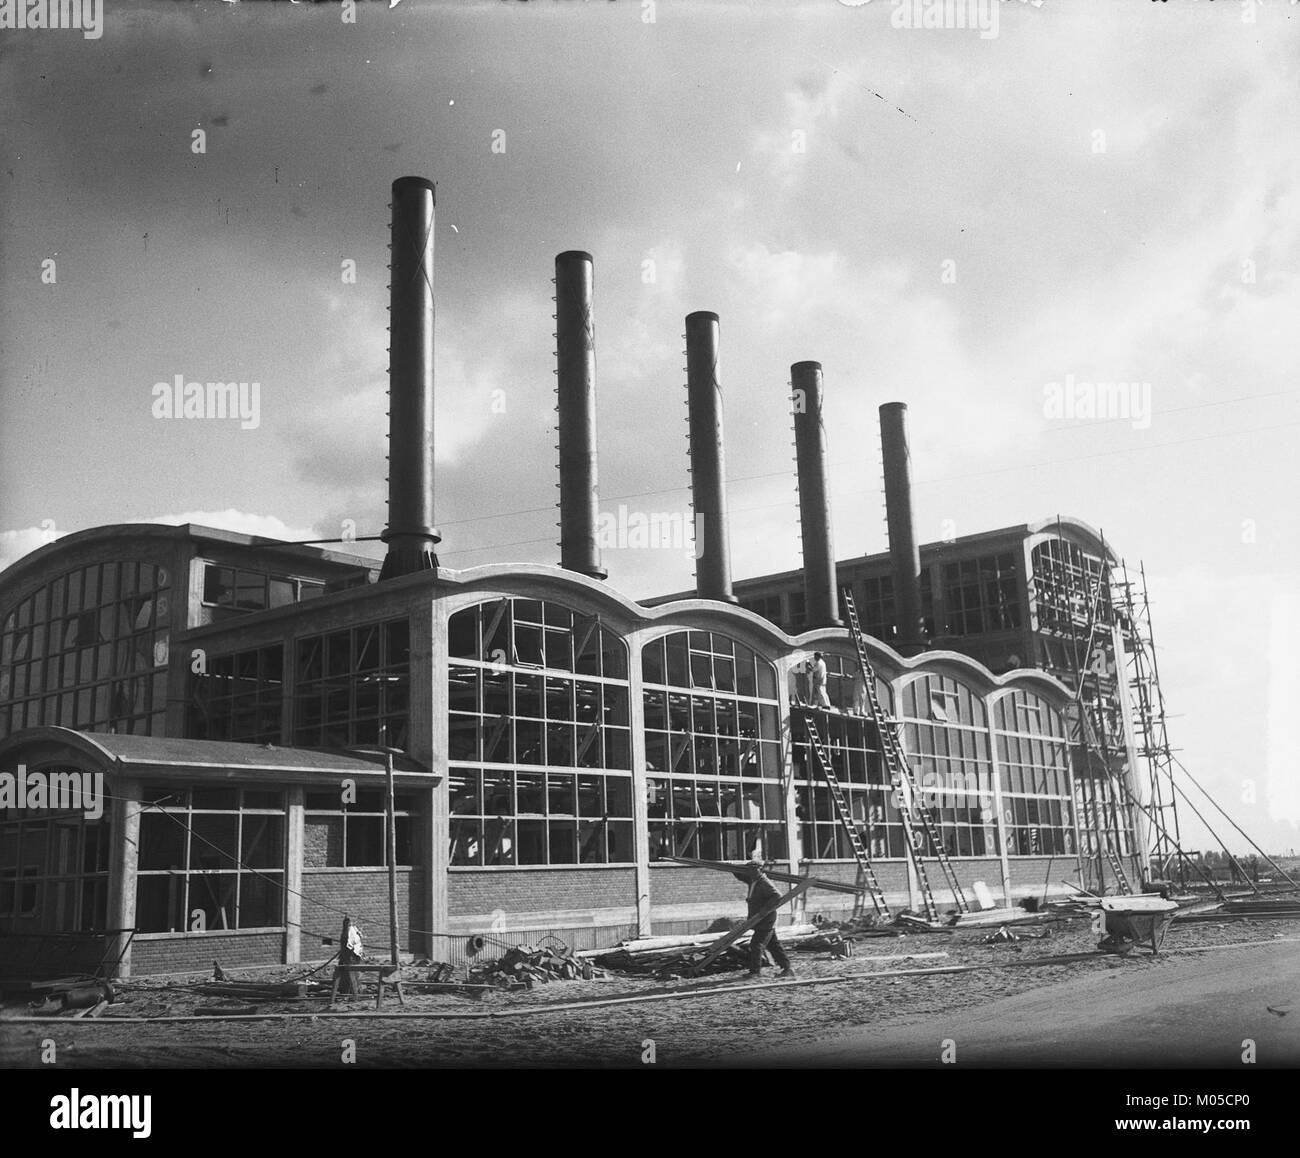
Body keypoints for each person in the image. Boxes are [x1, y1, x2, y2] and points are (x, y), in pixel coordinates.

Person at [733, 857, 795, 979]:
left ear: (760, 869)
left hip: (766, 919)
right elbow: (741, 876)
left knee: (756, 944)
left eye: (753, 870)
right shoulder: (753, 881)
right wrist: (732, 868)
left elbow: (777, 896)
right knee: (773, 945)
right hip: (761, 919)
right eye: (748, 870)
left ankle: (755, 972)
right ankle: (787, 969)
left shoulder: (763, 882)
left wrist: (764, 911)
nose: (750, 872)